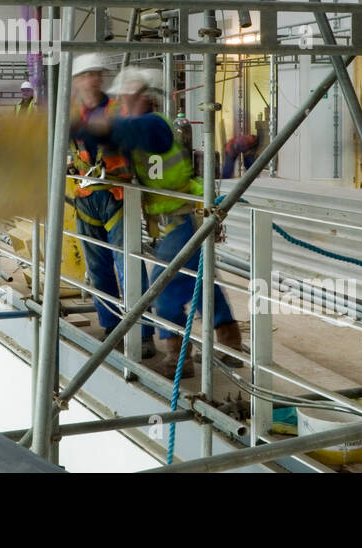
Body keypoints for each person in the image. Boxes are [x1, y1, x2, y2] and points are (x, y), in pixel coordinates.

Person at [104, 67, 245, 376]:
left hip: (182, 219)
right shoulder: (146, 127)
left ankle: (175, 355)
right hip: (179, 218)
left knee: (163, 288)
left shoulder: (152, 126)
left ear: (143, 98)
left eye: (126, 97)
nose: (121, 103)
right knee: (203, 283)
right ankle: (230, 344)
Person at [67, 54, 155, 358]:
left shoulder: (117, 110)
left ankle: (142, 332)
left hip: (118, 195)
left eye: (97, 73)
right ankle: (110, 325)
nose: (93, 79)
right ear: (77, 81)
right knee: (97, 267)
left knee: (128, 265)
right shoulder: (72, 115)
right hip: (86, 197)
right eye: (87, 74)